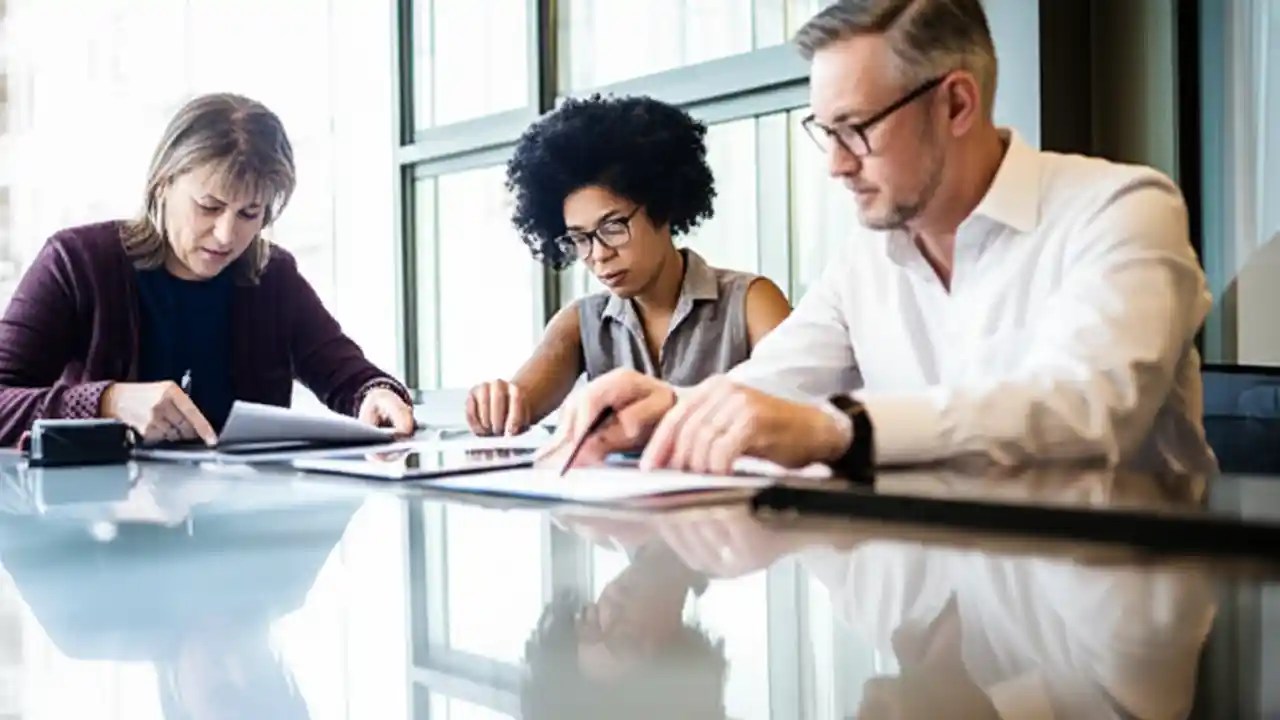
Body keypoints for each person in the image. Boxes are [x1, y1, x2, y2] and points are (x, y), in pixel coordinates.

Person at [540, 0, 1216, 476]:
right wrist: (668, 407)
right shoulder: (867, 258)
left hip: (1110, 630)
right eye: (825, 132)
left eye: (856, 129)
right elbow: (773, 384)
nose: (836, 164)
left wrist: (838, 429)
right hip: (937, 626)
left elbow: (1081, 411)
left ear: (956, 103)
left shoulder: (1122, 209)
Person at [0, 93, 415, 447]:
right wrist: (107, 402)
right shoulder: (76, 263)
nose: (226, 235)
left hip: (238, 525)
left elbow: (348, 375)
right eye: (209, 207)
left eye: (250, 213)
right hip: (98, 527)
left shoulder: (273, 276)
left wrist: (375, 394)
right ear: (162, 184)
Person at [465, 95, 792, 436]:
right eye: (581, 238)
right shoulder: (581, 322)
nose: (598, 254)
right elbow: (522, 401)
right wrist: (498, 402)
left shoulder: (750, 301)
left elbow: (796, 401)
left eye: (612, 227)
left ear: (662, 209)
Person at [520, 541, 727, 719]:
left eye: (590, 621)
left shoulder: (605, 519)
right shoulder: (737, 542)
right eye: (626, 640)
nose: (611, 608)